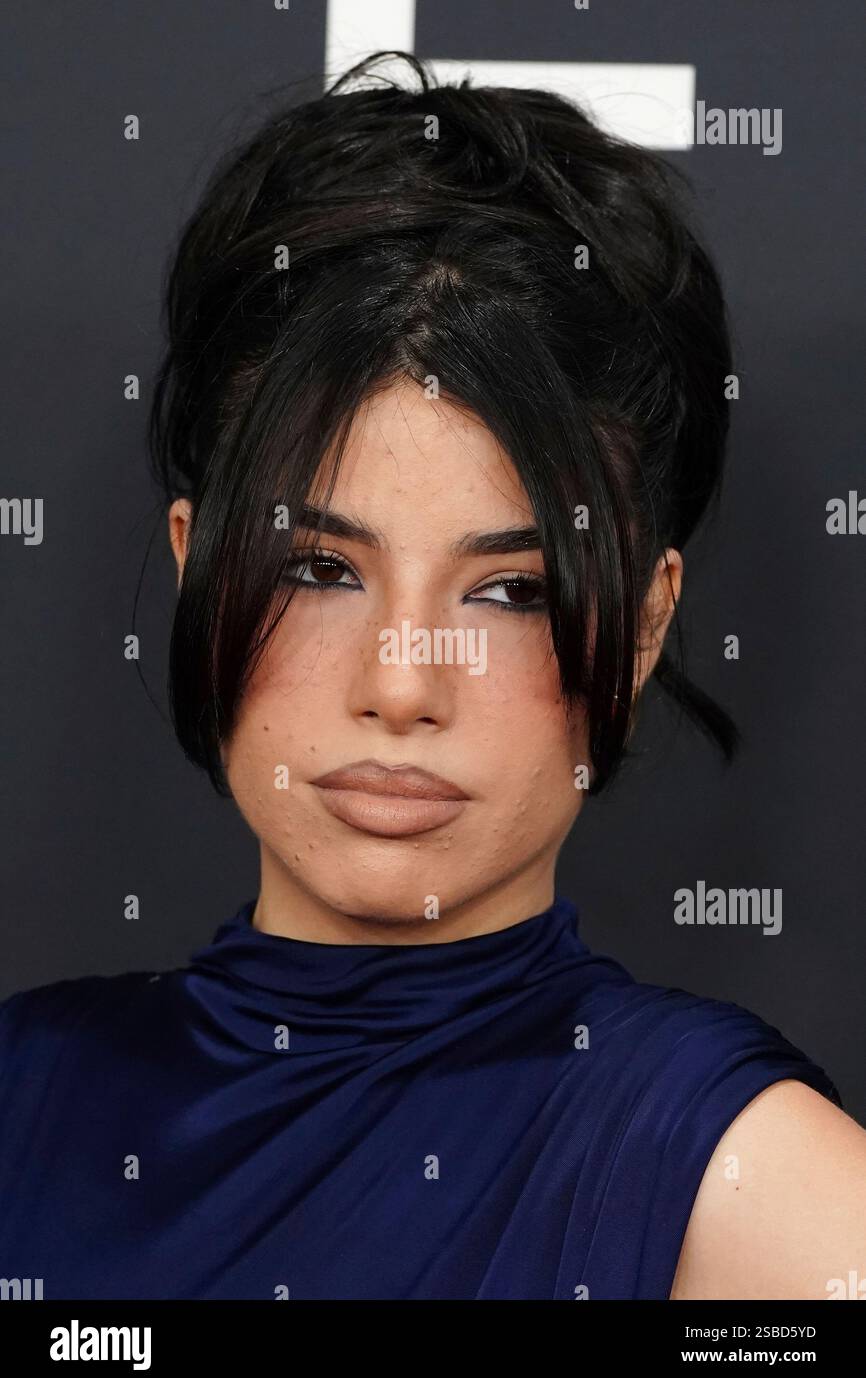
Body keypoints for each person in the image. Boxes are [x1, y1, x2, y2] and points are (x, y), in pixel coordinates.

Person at [1, 51, 864, 1301]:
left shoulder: (750, 1193)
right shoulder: (26, 1093)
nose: (403, 684)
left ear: (637, 628)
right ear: (198, 571)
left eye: (509, 590)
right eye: (317, 568)